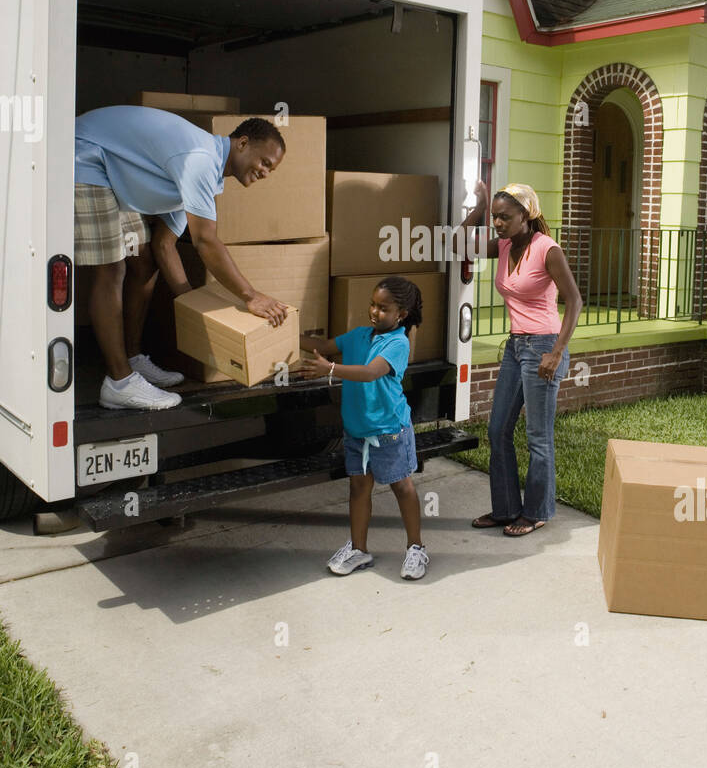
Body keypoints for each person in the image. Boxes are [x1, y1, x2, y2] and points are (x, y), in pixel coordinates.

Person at [74, 106, 290, 411]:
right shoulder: (199, 160)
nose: (265, 172)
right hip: (83, 156)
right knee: (112, 268)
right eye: (264, 162)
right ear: (242, 143)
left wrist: (194, 306)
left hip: (110, 173)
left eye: (272, 169)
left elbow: (164, 245)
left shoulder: (208, 174)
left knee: (144, 260)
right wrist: (251, 296)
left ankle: (132, 359)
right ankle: (119, 382)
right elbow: (205, 239)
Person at [460, 181, 582, 536]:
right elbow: (459, 244)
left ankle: (536, 512)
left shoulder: (548, 250)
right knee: (497, 430)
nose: (498, 223)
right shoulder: (503, 246)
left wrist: (556, 353)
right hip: (516, 347)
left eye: (504, 217)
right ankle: (506, 509)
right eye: (495, 217)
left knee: (537, 437)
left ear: (526, 215)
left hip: (543, 347)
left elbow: (574, 301)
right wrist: (480, 207)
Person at [297, 276, 428, 579]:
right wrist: (285, 333)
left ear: (401, 314)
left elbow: (370, 373)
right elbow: (323, 345)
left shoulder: (398, 342)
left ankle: (416, 548)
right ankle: (359, 549)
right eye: (372, 304)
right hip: (357, 430)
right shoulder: (358, 335)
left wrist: (329, 369)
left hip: (389, 430)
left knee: (402, 486)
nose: (374, 311)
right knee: (358, 487)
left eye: (383, 308)